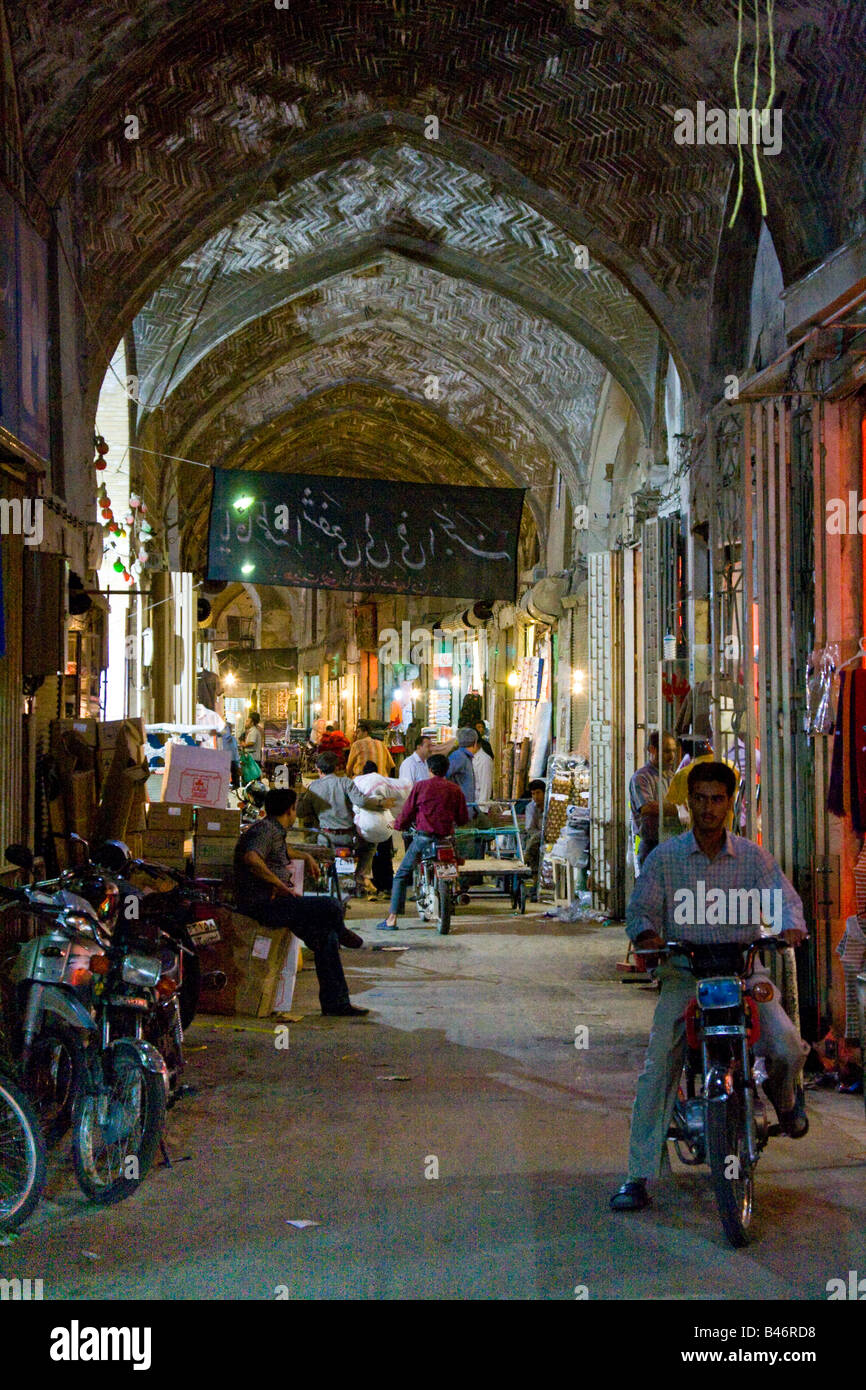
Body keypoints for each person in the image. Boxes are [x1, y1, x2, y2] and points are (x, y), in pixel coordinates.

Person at [609, 761, 810, 1214]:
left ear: (730, 803)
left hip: (743, 973)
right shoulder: (666, 858)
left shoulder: (753, 857)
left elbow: (783, 898)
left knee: (788, 1046)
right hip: (686, 974)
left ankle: (784, 1099)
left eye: (717, 798)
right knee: (659, 1065)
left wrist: (790, 926)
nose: (708, 808)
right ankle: (638, 1174)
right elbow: (641, 907)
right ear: (688, 801)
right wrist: (645, 934)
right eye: (699, 798)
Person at [233, 788, 368, 1017]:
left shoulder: (272, 830)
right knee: (332, 906)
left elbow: (281, 850)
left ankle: (336, 1004)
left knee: (327, 938)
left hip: (278, 904)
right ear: (290, 810)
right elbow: (251, 858)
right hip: (265, 905)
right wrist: (278, 884)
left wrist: (305, 856)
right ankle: (342, 929)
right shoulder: (266, 830)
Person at [375, 754, 469, 931]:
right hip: (446, 840)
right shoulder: (455, 789)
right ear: (446, 770)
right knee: (456, 865)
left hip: (424, 838)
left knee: (401, 874)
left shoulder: (421, 787)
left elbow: (407, 812)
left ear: (430, 769)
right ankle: (456, 888)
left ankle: (392, 919)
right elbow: (463, 818)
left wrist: (398, 824)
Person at [296, 751, 393, 899]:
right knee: (371, 846)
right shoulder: (346, 782)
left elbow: (301, 812)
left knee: (307, 850)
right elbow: (361, 802)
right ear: (336, 768)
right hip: (349, 838)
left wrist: (302, 794)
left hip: (325, 839)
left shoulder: (313, 787)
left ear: (319, 770)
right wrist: (381, 803)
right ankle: (360, 877)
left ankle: (314, 883)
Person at [628, 731, 680, 868]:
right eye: (667, 751)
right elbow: (647, 807)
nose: (672, 756)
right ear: (652, 750)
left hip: (671, 843)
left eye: (674, 751)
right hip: (651, 846)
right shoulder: (641, 778)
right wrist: (678, 809)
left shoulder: (672, 776)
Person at [447, 727, 478, 807]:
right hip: (460, 808)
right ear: (475, 744)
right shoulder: (458, 756)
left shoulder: (464, 757)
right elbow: (444, 776)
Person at [523, 778, 546, 884]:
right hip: (536, 839)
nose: (535, 797)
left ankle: (525, 858)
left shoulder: (551, 805)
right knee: (535, 843)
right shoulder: (530, 807)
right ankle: (535, 883)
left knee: (535, 841)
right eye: (533, 794)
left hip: (551, 835)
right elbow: (530, 828)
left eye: (538, 793)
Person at [222, 721, 241, 790]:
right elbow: (235, 753)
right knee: (235, 784)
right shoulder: (232, 739)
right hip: (231, 762)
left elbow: (235, 753)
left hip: (224, 761)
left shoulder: (220, 738)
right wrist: (238, 765)